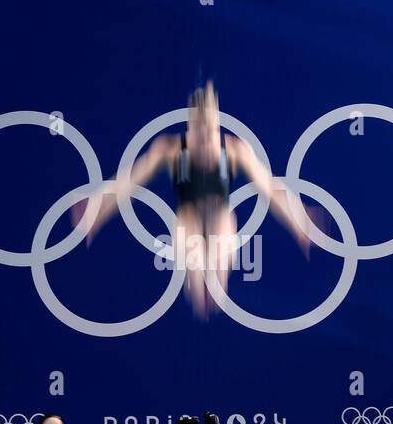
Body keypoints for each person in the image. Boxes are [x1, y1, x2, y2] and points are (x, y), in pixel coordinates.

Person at [72, 81, 317, 318]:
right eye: (200, 134)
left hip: (220, 214)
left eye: (211, 132)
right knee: (199, 291)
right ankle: (199, 288)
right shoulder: (169, 148)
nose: (206, 141)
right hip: (188, 217)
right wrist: (97, 209)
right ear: (189, 126)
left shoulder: (235, 149)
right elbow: (130, 180)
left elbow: (270, 187)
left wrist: (300, 220)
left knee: (217, 281)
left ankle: (212, 286)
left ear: (218, 125)